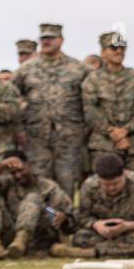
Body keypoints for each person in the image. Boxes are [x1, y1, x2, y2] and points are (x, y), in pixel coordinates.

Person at [14, 24, 89, 196]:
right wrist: (19, 129)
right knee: (39, 185)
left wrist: (86, 130)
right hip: (36, 140)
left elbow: (90, 103)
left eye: (51, 38)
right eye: (43, 39)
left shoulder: (78, 69)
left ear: (61, 40)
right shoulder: (26, 69)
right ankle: (45, 219)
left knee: (67, 183)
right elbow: (12, 100)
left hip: (69, 140)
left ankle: (65, 221)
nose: (46, 42)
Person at [53, 153, 134, 259]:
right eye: (106, 185)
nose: (111, 188)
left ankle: (90, 253)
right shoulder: (89, 186)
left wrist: (129, 225)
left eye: (116, 183)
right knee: (80, 238)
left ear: (124, 174)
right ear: (98, 178)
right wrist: (96, 225)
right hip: (104, 234)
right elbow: (82, 216)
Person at [82, 31, 134, 175]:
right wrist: (111, 132)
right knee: (105, 187)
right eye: (114, 48)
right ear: (103, 52)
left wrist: (125, 131)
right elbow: (90, 112)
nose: (119, 51)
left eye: (122, 47)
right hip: (103, 144)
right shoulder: (92, 80)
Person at [0, 150, 72, 258]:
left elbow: (70, 217)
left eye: (21, 170)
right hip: (12, 234)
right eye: (13, 173)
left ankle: (21, 242)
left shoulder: (48, 187)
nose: (18, 175)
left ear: (29, 165)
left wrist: (62, 217)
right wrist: (0, 167)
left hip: (39, 234)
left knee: (33, 197)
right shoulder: (8, 184)